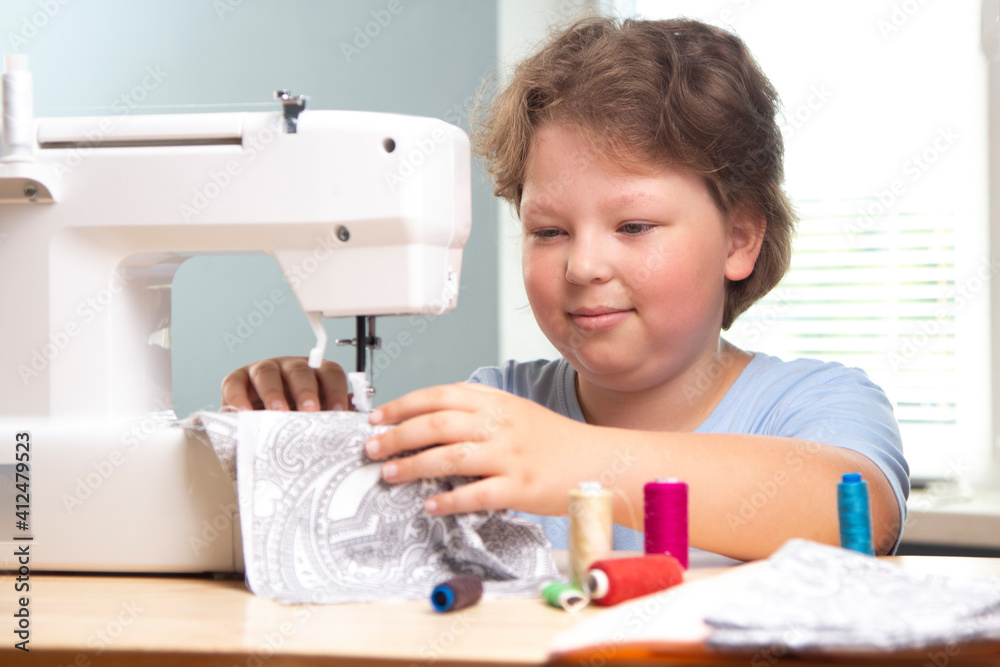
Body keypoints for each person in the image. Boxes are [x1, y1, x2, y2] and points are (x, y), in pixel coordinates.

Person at [222, 16, 908, 561]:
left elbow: (853, 510)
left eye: (634, 225)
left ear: (740, 240)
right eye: (548, 231)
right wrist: (294, 435)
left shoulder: (818, 405)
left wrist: (572, 458)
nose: (582, 266)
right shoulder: (500, 406)